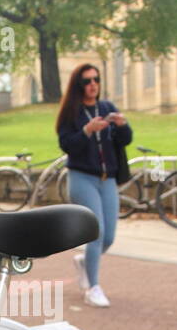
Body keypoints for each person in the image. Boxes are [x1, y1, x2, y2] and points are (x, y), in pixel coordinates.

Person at [56, 62, 131, 308]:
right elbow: (67, 145)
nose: (93, 85)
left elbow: (126, 139)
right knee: (96, 232)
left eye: (96, 80)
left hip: (107, 178)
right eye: (87, 81)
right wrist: (87, 130)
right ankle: (93, 287)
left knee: (108, 237)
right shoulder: (72, 112)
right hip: (82, 177)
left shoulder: (106, 107)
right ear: (78, 85)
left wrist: (122, 125)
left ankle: (84, 261)